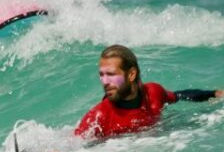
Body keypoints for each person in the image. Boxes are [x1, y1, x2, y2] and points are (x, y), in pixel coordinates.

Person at [75, 44, 223, 139]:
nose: (105, 82)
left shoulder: (153, 92)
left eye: (111, 74)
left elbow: (179, 96)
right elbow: (74, 143)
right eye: (102, 75)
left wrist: (213, 94)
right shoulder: (99, 115)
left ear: (131, 74)